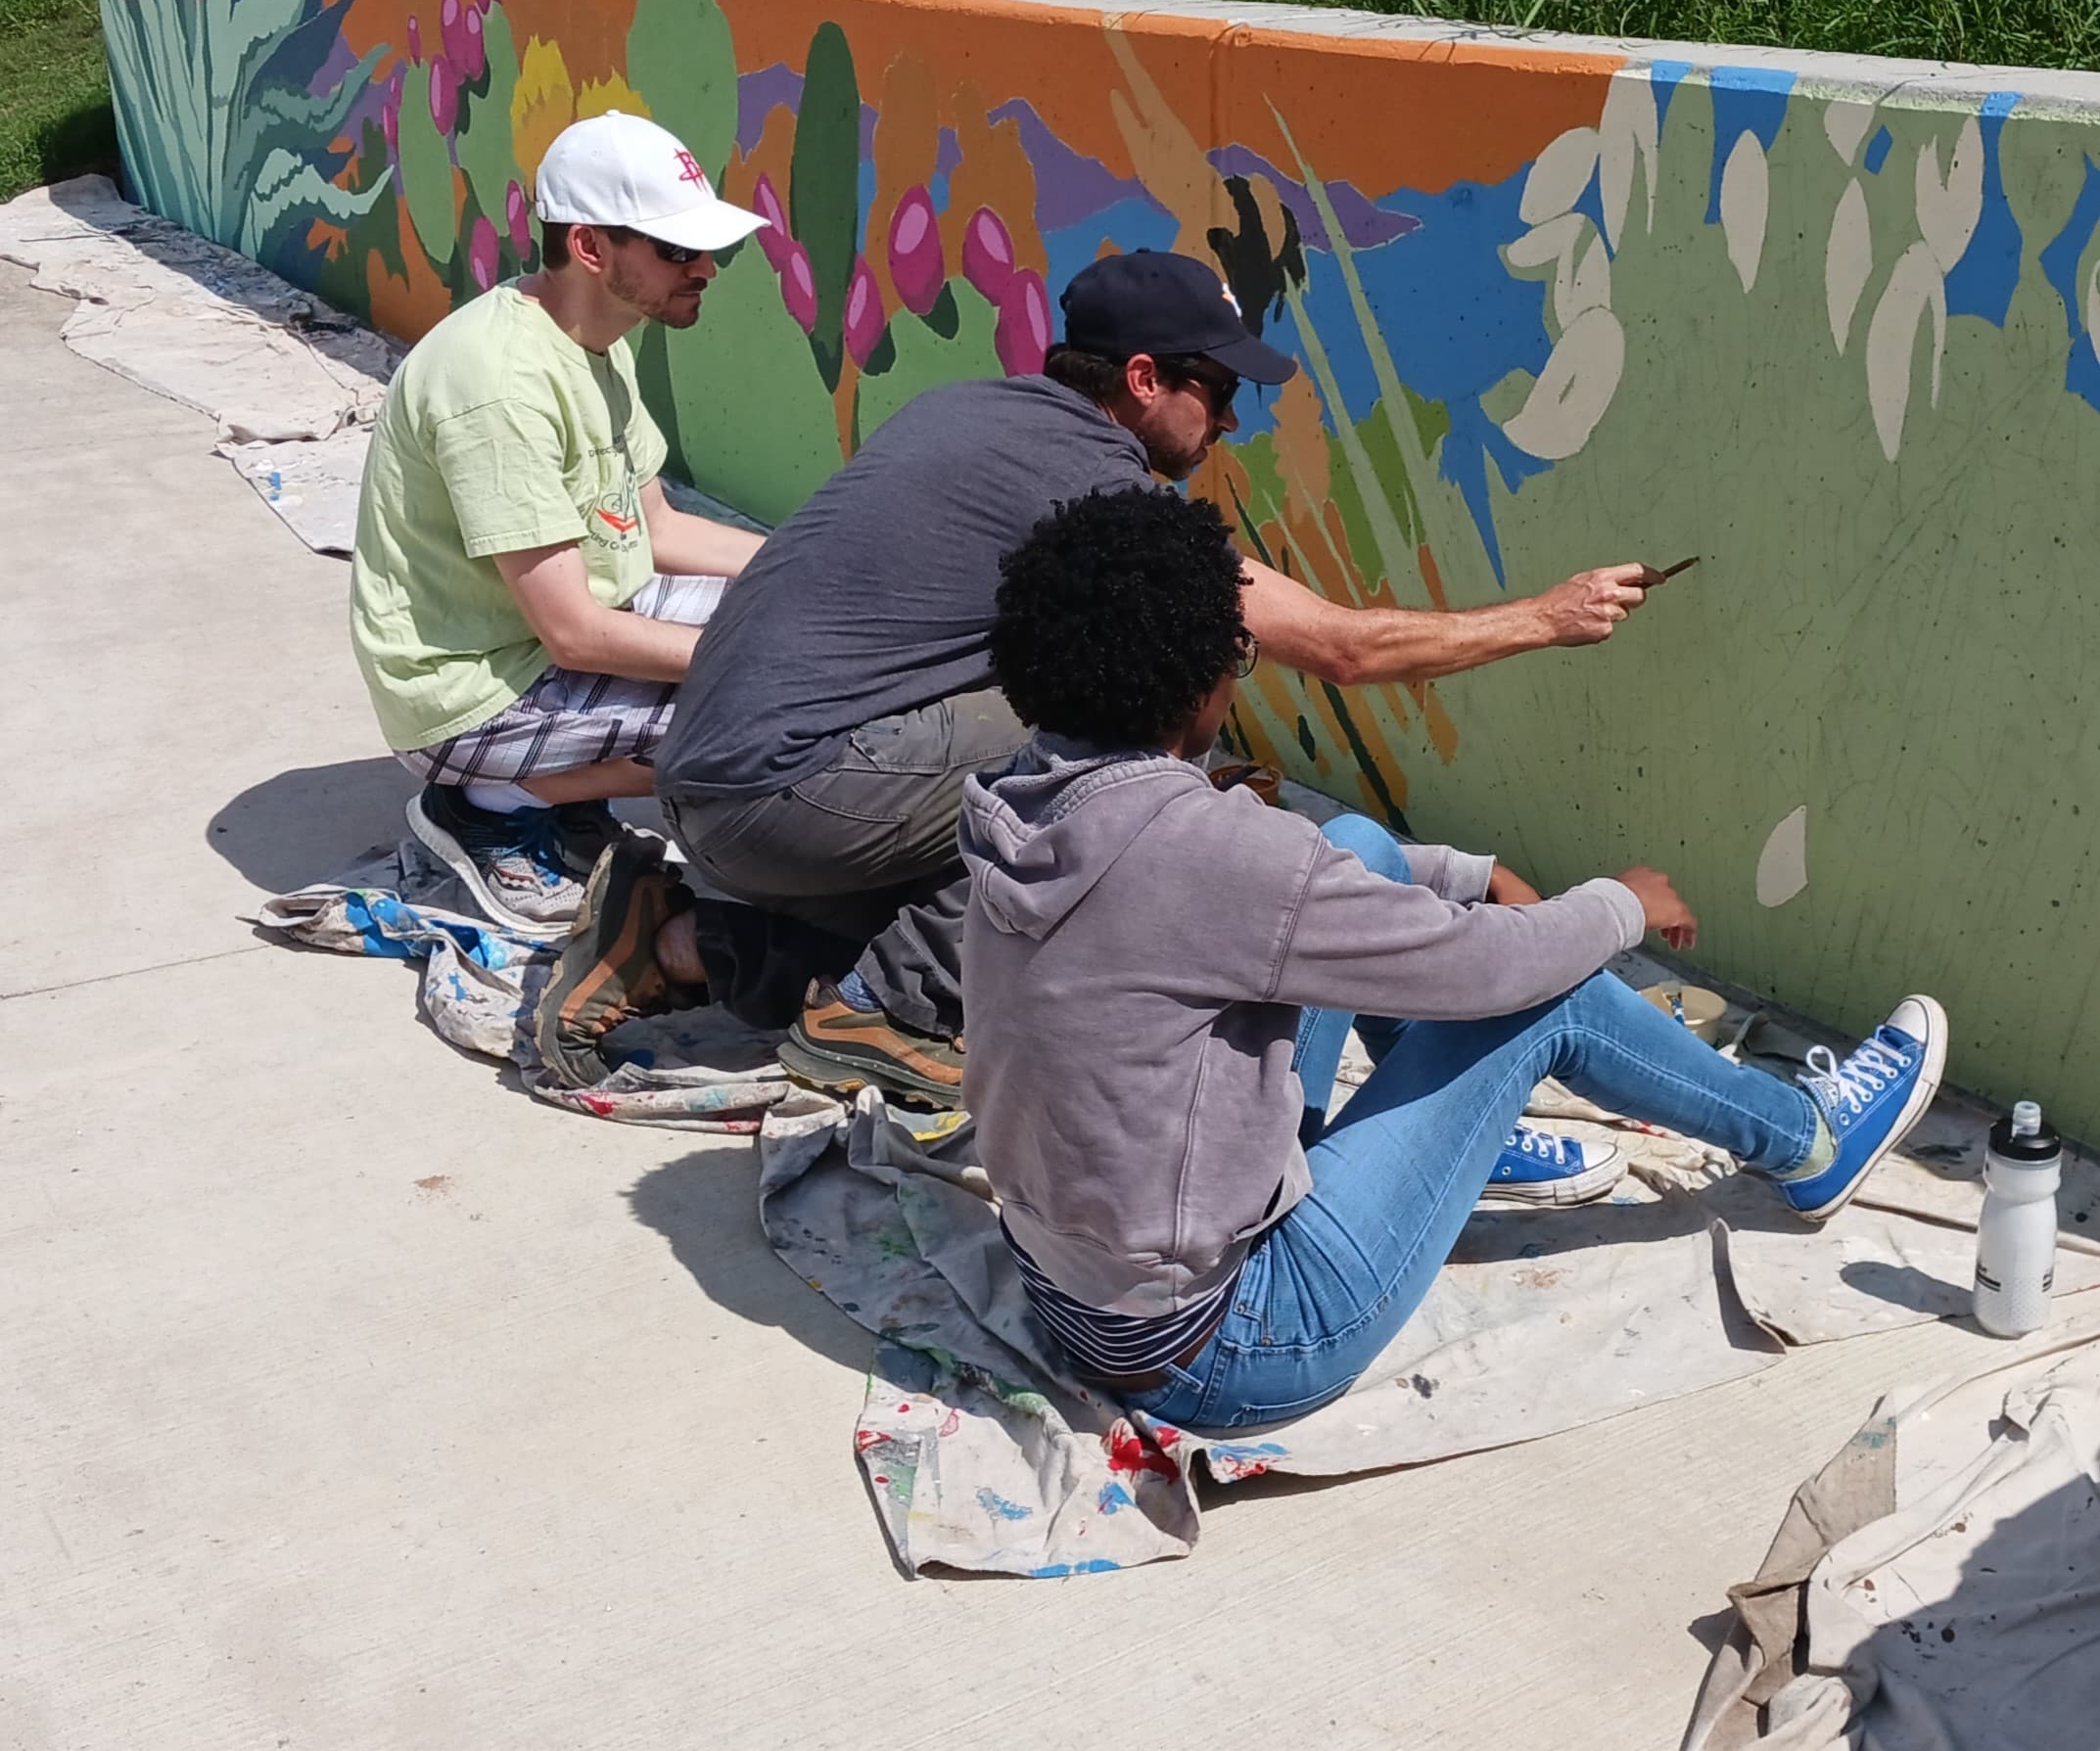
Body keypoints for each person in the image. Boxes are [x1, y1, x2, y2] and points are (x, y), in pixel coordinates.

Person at [537, 249, 1658, 1100]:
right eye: (1216, 391)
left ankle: (677, 936)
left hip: (718, 786)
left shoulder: (971, 408)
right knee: (1132, 740)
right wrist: (1546, 619)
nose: (1230, 417)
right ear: (1139, 378)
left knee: (1043, 878)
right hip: (795, 794)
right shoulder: (1094, 486)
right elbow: (1342, 647)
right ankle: (884, 1013)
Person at [957, 484, 1947, 1428]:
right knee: (1544, 999)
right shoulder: (1206, 854)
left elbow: (1304, 882)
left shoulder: (1032, 801)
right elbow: (1491, 973)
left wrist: (1469, 873)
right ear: (1200, 678)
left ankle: (1450, 1149)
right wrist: (1619, 905)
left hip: (1078, 1289)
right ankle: (1808, 1141)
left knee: (1363, 848)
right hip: (1233, 1341)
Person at [350, 112, 768, 930]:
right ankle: (485, 804)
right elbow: (575, 633)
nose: (707, 267)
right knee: (772, 713)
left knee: (812, 635)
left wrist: (813, 566)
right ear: (589, 247)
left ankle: (555, 791)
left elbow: (658, 527)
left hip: (551, 636)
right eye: (676, 249)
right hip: (471, 691)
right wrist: (757, 658)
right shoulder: (498, 384)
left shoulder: (597, 331)